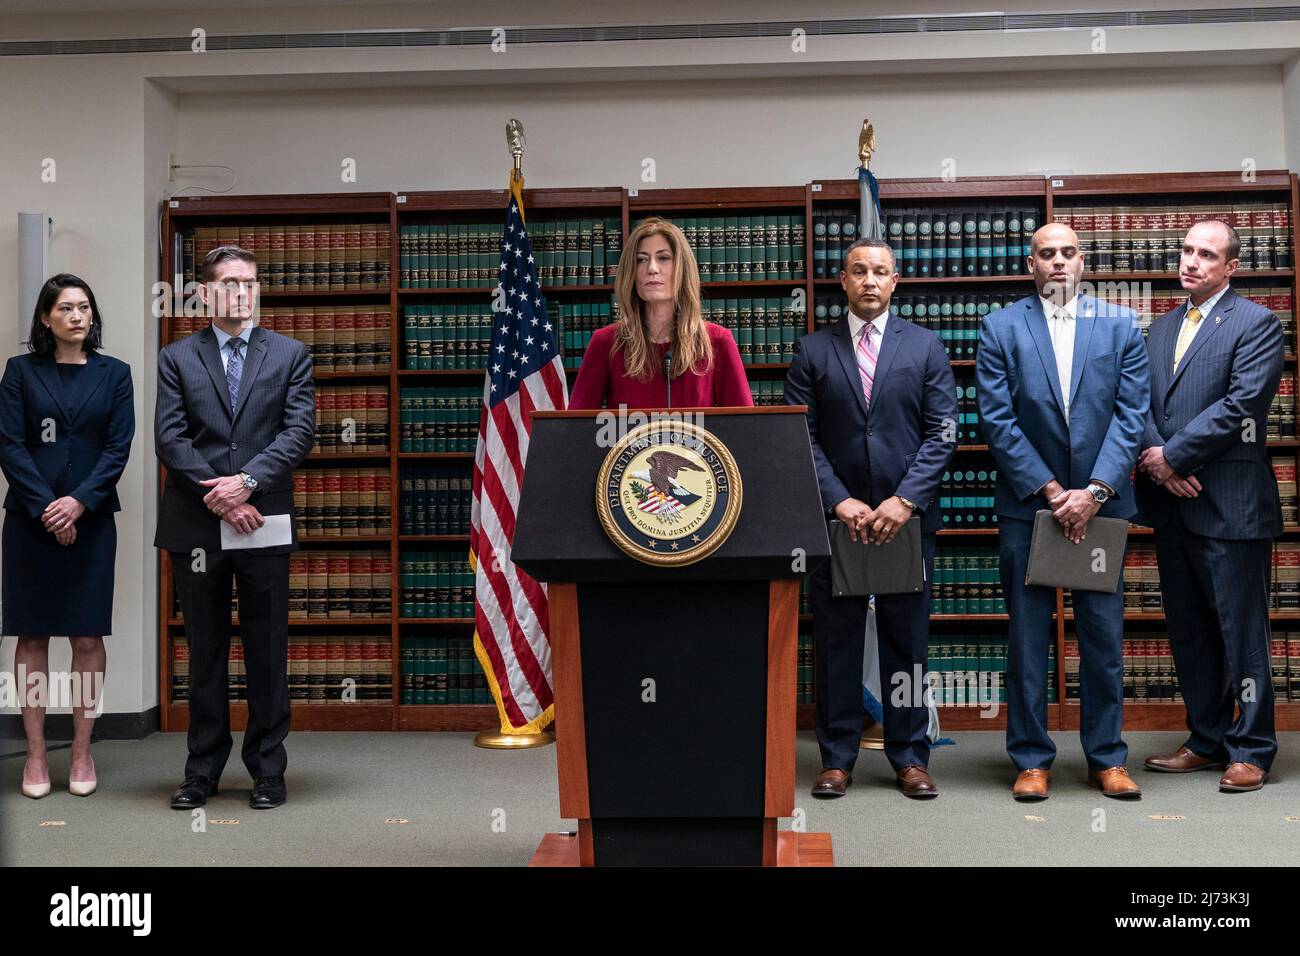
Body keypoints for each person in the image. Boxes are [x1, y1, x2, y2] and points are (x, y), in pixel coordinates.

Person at [977, 222, 1149, 801]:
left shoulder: (1122, 324)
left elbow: (1132, 413)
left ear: (1083, 262)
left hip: (1099, 510)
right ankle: (1031, 760)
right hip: (1030, 508)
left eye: (1067, 253)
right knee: (1028, 640)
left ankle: (1107, 758)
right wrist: (1053, 493)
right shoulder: (1001, 327)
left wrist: (1094, 491)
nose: (1057, 262)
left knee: (1102, 637)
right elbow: (997, 421)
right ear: (1032, 265)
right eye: (1046, 254)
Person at [785, 237, 957, 799]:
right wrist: (839, 499)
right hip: (838, 523)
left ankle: (909, 756)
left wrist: (905, 500)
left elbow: (943, 433)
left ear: (895, 280)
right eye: (859, 271)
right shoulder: (813, 350)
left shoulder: (927, 347)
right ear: (842, 280)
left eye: (880, 271)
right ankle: (836, 759)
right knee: (835, 642)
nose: (870, 281)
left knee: (905, 644)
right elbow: (799, 437)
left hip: (904, 522)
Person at [154, 245, 315, 811]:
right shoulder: (176, 358)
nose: (240, 292)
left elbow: (298, 434)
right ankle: (202, 770)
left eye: (248, 282)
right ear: (205, 294)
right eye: (228, 282)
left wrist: (245, 483)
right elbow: (170, 439)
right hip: (197, 525)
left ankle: (268, 770)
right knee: (205, 649)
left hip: (263, 518)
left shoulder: (290, 354)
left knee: (267, 647)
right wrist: (223, 499)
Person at [1136, 220, 1283, 793]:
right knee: (1190, 630)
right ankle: (1206, 738)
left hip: (1229, 505)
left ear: (1230, 267)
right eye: (1187, 251)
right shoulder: (1162, 327)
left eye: (1207, 254)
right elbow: (1139, 399)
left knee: (1241, 632)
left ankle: (1252, 747)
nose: (1192, 262)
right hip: (1171, 504)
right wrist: (1155, 459)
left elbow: (1242, 404)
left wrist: (1172, 457)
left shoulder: (1256, 323)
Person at [0, 274, 134, 799]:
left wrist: (78, 502)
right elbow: (11, 445)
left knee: (86, 637)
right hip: (31, 523)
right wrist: (48, 508)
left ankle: (81, 751)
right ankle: (35, 756)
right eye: (66, 309)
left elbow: (116, 448)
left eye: (85, 308)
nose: (78, 316)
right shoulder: (20, 372)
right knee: (32, 636)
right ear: (45, 318)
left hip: (93, 520)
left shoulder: (115, 373)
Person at [568, 217, 752, 410]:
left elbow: (743, 430)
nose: (652, 269)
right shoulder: (605, 343)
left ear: (683, 269)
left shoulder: (718, 341)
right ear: (631, 272)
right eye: (641, 260)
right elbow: (574, 431)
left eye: (663, 258)